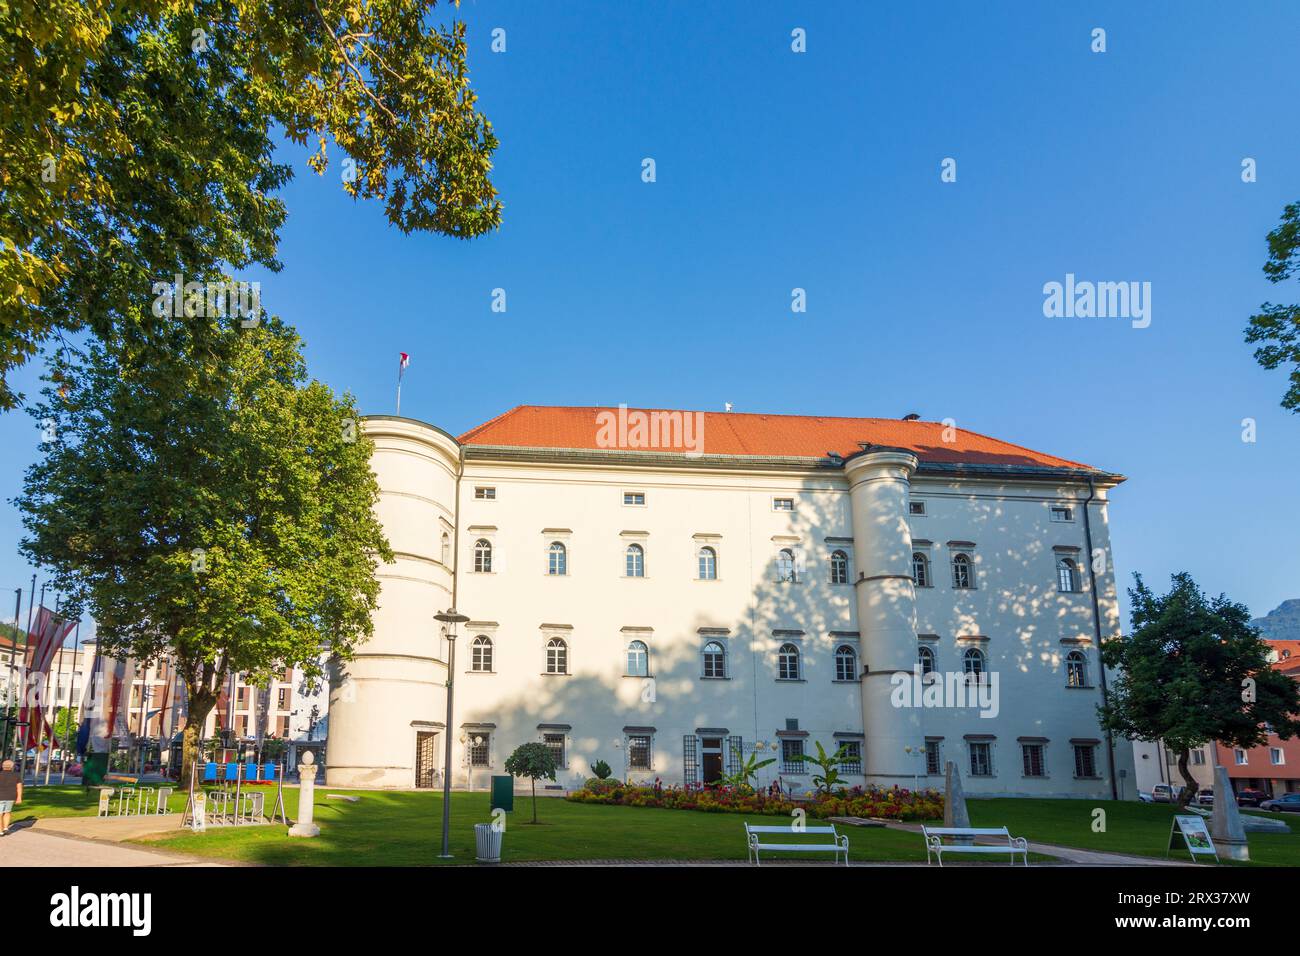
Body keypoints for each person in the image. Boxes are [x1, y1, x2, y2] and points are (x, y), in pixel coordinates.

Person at [0, 758, 21, 836]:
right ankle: (5, 828)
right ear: (12, 767)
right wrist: (19, 797)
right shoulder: (16, 775)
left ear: (2, 766)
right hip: (11, 796)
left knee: (0, 814)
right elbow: (19, 787)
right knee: (7, 812)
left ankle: (0, 831)